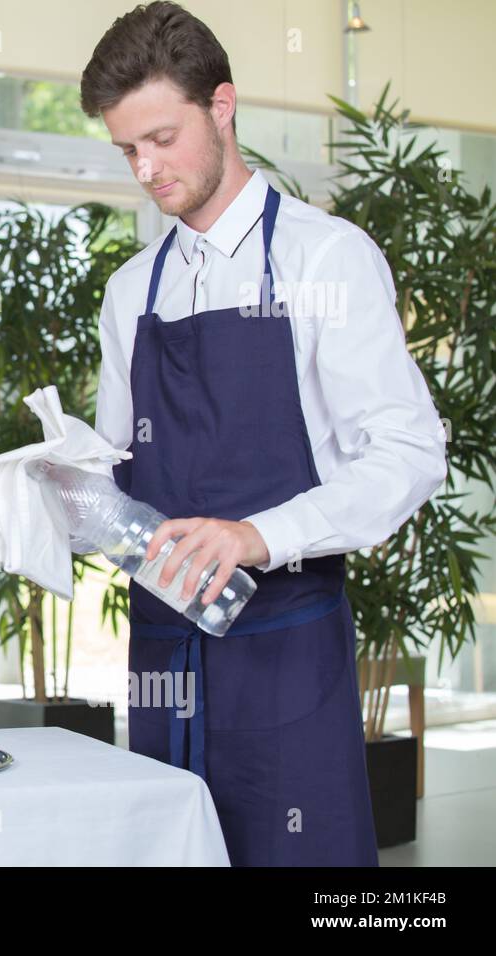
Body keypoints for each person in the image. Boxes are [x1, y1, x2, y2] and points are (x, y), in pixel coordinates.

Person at [81, 2, 447, 865]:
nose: (146, 167)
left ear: (223, 105)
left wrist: (255, 536)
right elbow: (114, 480)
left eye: (163, 138)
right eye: (127, 149)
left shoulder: (328, 259)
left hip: (285, 651)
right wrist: (61, 491)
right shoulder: (133, 291)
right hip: (162, 655)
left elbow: (406, 453)